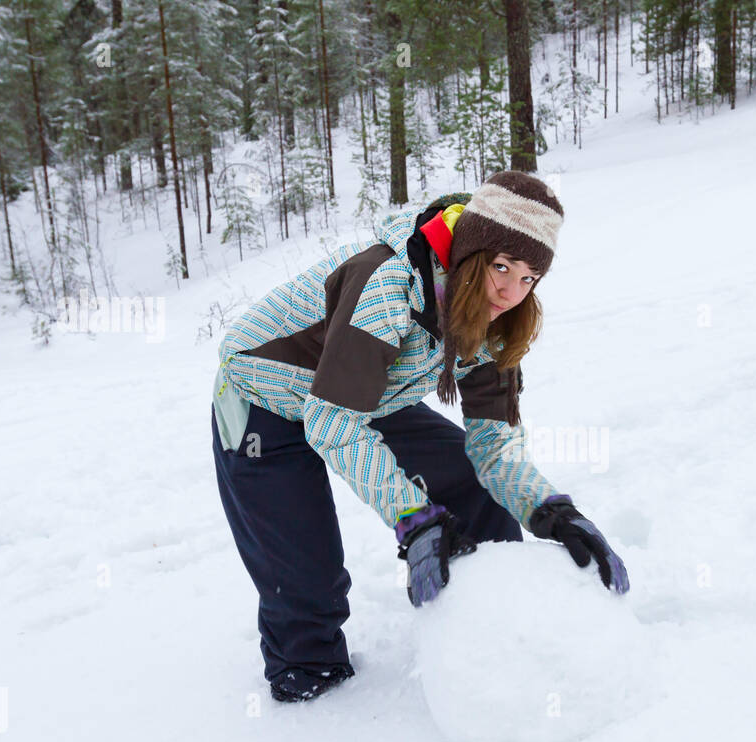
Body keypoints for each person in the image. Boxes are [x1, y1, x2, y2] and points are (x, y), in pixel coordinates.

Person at [211, 170, 630, 703]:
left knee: (474, 485)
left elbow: (493, 446)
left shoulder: (499, 318)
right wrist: (414, 518)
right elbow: (332, 425)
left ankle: (496, 619)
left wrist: (551, 511)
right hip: (263, 399)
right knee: (307, 586)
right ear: (471, 254)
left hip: (363, 392)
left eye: (528, 277)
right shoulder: (385, 287)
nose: (509, 290)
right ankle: (309, 692)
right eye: (501, 266)